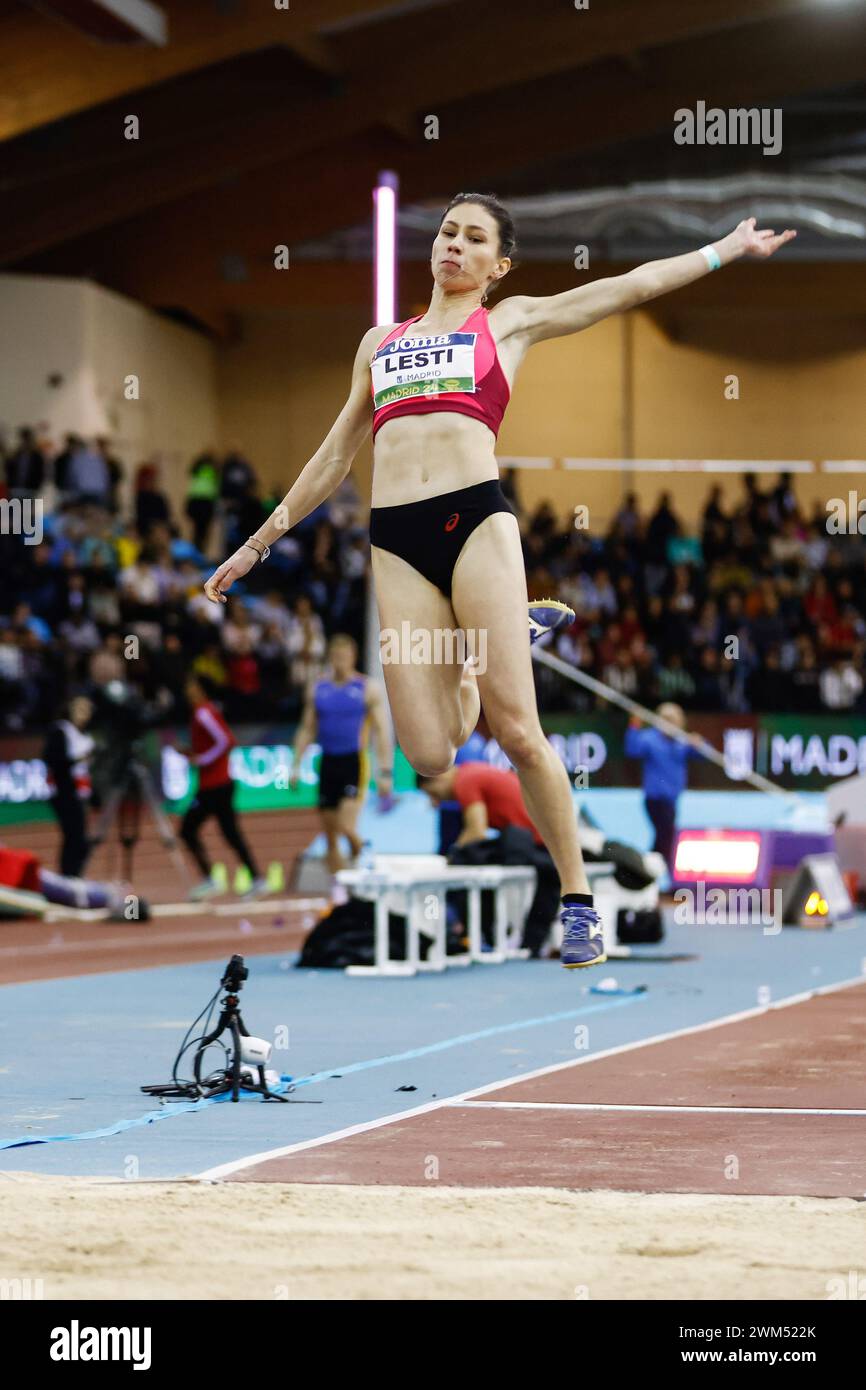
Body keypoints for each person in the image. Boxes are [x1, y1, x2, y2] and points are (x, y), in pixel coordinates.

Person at [203, 193, 794, 968]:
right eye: (447, 232)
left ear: (498, 265)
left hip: (474, 522)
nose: (452, 245)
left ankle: (578, 901)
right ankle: (494, 645)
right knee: (431, 754)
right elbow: (334, 457)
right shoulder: (381, 343)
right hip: (397, 538)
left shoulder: (507, 322)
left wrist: (722, 249)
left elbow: (625, 288)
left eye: (473, 238)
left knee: (518, 732)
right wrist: (258, 544)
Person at [418, 760, 562, 957]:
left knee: (462, 862)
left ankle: (477, 933)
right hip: (545, 840)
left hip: (532, 843)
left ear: (438, 777)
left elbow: (476, 831)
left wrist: (450, 858)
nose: (436, 802)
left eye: (433, 794)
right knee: (474, 858)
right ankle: (521, 942)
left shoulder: (464, 781)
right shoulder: (473, 771)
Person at [290, 634, 393, 875]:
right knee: (330, 836)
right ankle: (340, 890)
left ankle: (364, 851)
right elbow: (307, 728)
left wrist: (385, 772)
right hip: (328, 762)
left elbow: (382, 732)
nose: (340, 661)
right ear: (330, 658)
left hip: (353, 762)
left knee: (346, 826)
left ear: (353, 657)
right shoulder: (318, 689)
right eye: (336, 657)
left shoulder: (367, 689)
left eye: (344, 656)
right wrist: (295, 764)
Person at [177, 674, 266, 900]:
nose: (187, 691)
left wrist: (201, 760)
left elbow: (227, 741)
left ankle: (214, 880)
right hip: (215, 784)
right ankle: (254, 879)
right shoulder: (201, 712)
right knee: (228, 832)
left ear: (200, 689)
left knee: (189, 830)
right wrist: (192, 753)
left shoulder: (204, 712)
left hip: (215, 785)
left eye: (191, 685)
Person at [624, 705, 704, 871]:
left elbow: (702, 755)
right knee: (667, 839)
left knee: (662, 840)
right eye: (666, 720)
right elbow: (632, 750)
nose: (670, 724)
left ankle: (643, 872)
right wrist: (634, 725)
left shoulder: (682, 741)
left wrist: (699, 744)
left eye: (673, 721)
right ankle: (666, 878)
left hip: (672, 800)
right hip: (655, 799)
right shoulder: (649, 739)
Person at [42, 696, 95, 877]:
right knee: (74, 836)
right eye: (80, 709)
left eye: (87, 710)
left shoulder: (85, 734)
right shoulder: (60, 730)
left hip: (81, 792)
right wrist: (78, 759)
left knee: (80, 838)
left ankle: (75, 874)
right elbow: (52, 760)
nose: (84, 714)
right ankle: (68, 876)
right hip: (64, 792)